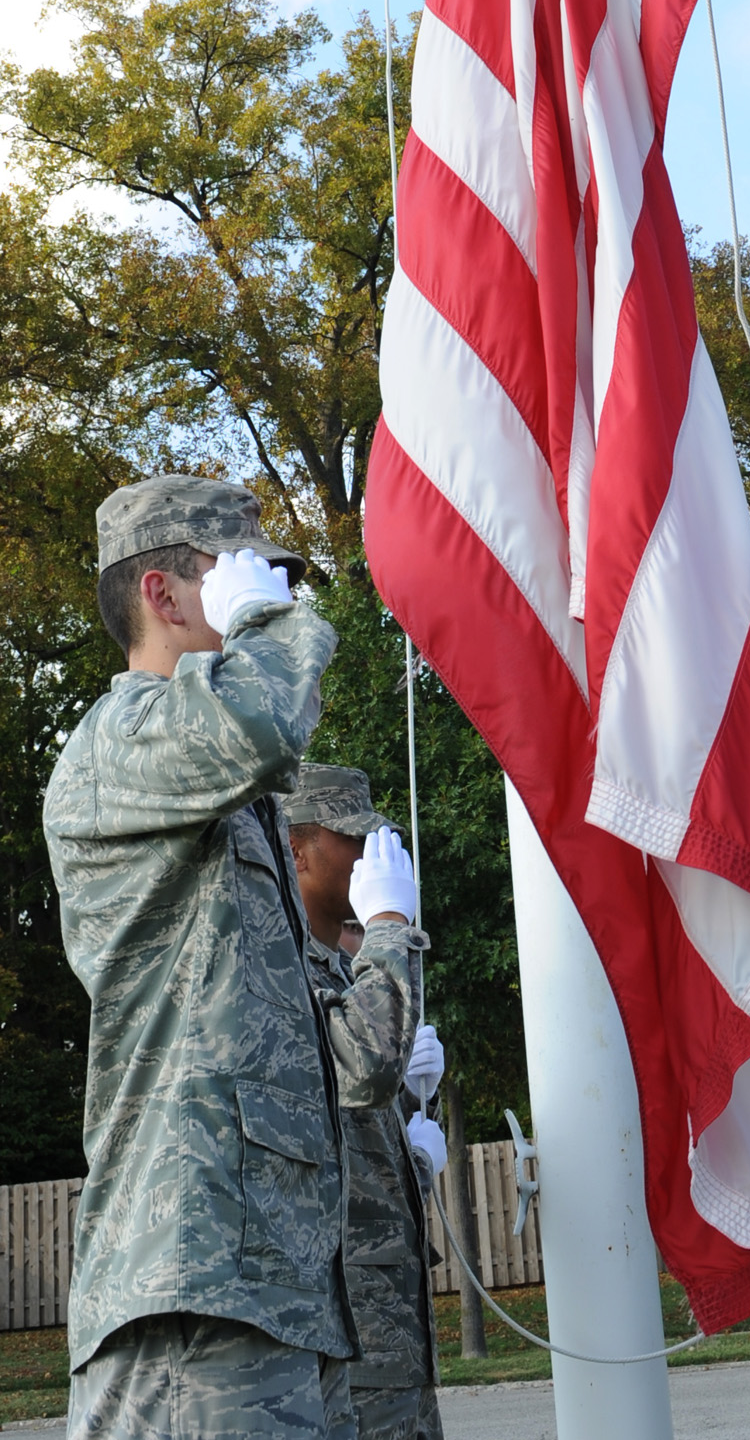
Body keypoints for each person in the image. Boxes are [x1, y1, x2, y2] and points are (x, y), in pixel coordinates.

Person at [43, 477, 412, 1440]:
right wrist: (270, 631)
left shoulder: (230, 794)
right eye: (243, 575)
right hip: (191, 1284)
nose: (274, 599)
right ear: (162, 594)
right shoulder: (122, 740)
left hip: (272, 1288)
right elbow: (259, 722)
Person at [286, 764, 447, 1440]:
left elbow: (355, 1146)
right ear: (296, 849)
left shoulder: (335, 968)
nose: (370, 852)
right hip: (345, 1341)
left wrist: (414, 1140)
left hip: (387, 1333)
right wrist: (387, 923)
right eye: (351, 836)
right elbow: (358, 1078)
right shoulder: (281, 969)